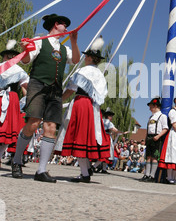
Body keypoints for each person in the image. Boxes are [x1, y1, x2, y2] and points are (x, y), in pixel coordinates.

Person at [11, 13, 80, 181]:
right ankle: (17, 159)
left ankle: (41, 170)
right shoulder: (40, 41)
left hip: (55, 89)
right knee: (33, 123)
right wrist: (25, 49)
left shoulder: (65, 48)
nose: (67, 28)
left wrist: (73, 40)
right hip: (38, 85)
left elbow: (76, 60)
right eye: (65, 25)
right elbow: (27, 60)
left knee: (50, 127)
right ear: (56, 25)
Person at [55, 38, 110, 183]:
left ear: (90, 58)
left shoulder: (82, 71)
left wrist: (59, 100)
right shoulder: (100, 75)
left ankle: (85, 173)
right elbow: (102, 95)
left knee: (78, 137)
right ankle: (85, 172)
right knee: (85, 139)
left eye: (86, 56)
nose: (84, 58)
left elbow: (70, 90)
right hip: (92, 108)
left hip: (80, 104)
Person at [0, 41, 29, 161]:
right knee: (8, 130)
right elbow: (26, 89)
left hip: (7, 98)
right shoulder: (19, 70)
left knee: (5, 129)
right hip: (11, 98)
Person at [158, 96, 176, 184]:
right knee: (172, 155)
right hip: (174, 134)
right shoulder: (172, 112)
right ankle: (169, 177)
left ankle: (174, 177)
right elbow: (174, 124)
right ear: (175, 101)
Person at [140, 97, 168, 182]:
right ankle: (146, 174)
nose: (149, 108)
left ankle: (152, 176)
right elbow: (148, 129)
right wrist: (146, 139)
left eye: (151, 106)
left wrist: (159, 136)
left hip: (156, 137)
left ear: (155, 106)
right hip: (149, 137)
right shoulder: (151, 117)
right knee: (148, 157)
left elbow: (165, 128)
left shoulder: (162, 116)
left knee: (155, 157)